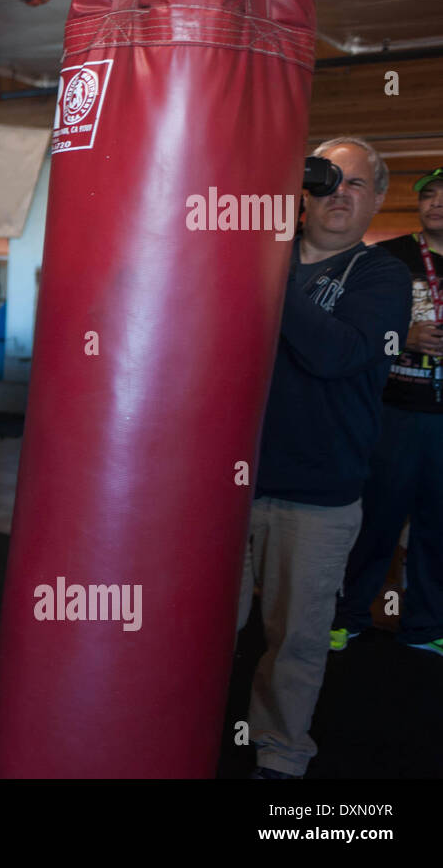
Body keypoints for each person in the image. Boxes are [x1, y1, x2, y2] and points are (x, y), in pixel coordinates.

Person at [236, 137, 412, 778]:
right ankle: (181, 726)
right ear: (305, 191)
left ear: (378, 199)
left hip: (318, 491)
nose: (339, 193)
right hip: (227, 484)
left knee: (296, 638)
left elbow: (338, 355)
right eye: (328, 179)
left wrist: (266, 270)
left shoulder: (383, 276)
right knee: (199, 623)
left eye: (357, 184)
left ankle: (280, 754)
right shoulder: (261, 255)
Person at [332, 165, 443, 657]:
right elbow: (352, 335)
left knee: (437, 529)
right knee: (374, 521)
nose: (435, 202)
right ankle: (347, 617)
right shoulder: (387, 260)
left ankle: (425, 628)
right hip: (393, 412)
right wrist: (404, 340)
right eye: (429, 195)